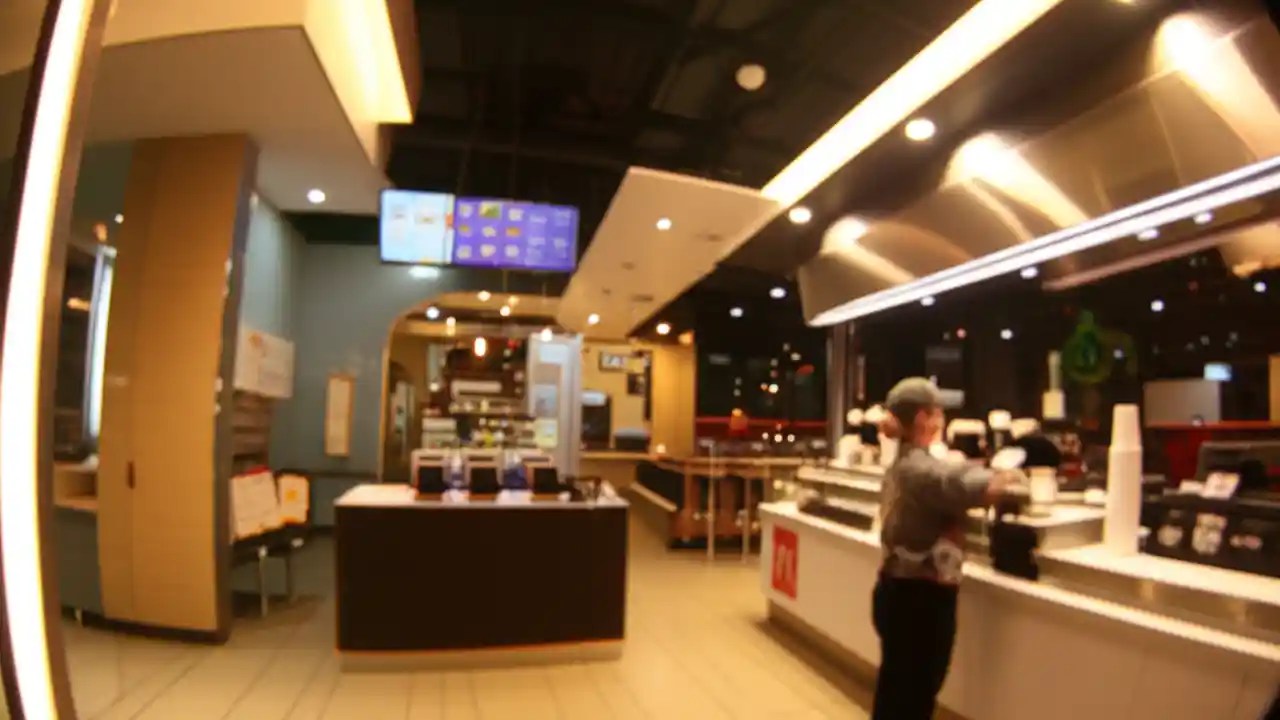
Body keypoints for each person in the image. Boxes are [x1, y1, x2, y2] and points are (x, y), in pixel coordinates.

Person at [871, 378, 1022, 720]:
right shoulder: (917, 467)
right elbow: (959, 485)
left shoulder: (903, 464)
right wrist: (1008, 476)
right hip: (918, 602)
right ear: (925, 417)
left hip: (899, 596)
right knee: (912, 700)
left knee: (898, 694)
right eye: (937, 412)